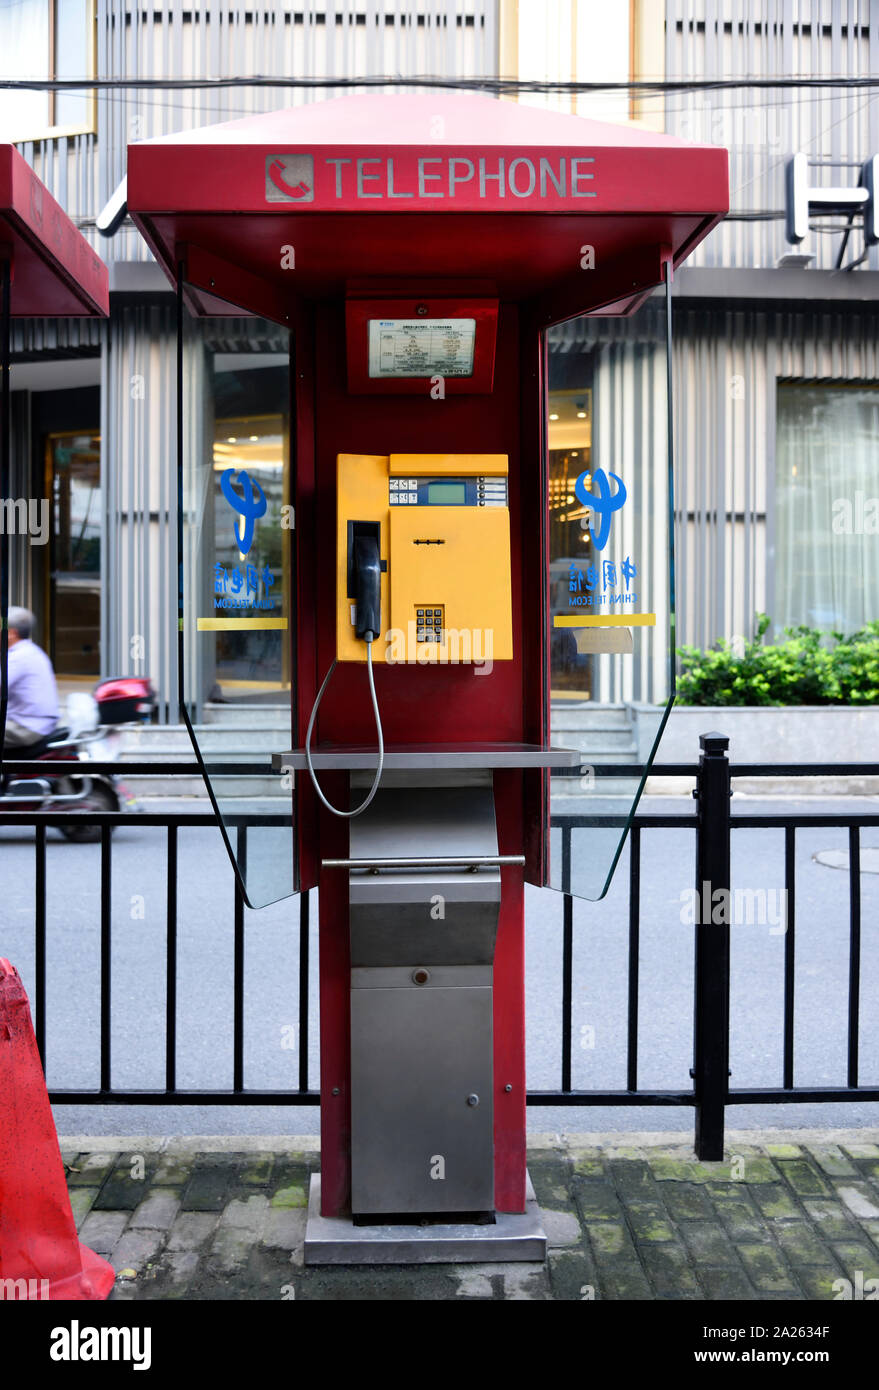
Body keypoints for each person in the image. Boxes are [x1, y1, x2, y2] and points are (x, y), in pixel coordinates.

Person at [2, 607, 60, 748]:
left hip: (26, 726)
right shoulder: (32, 651)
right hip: (35, 723)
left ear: (11, 633)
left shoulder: (18, 657)